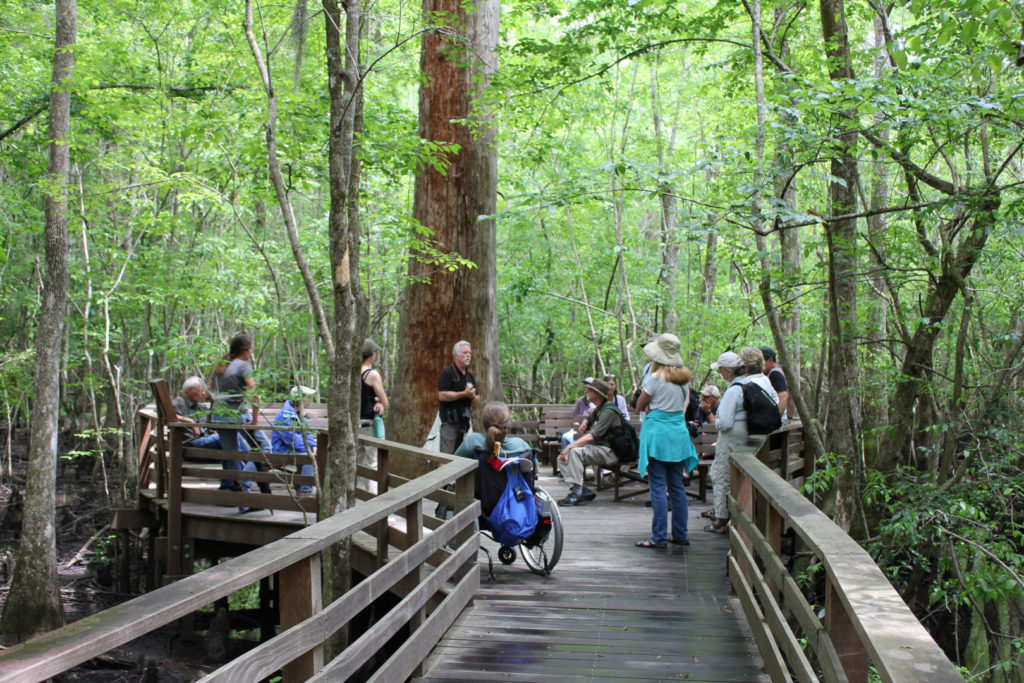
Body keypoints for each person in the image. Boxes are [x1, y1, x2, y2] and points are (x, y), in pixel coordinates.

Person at [634, 333, 698, 549]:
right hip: (678, 434)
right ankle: (680, 533)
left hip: (658, 435)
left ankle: (659, 536)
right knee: (677, 486)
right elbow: (683, 406)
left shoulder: (655, 378)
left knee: (658, 487)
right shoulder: (684, 379)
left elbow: (639, 404)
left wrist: (649, 406)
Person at [211, 334, 273, 501]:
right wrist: (254, 420)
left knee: (232, 455)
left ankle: (243, 500)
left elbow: (209, 391)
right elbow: (254, 393)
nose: (251, 353)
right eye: (251, 349)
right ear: (245, 351)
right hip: (235, 415)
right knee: (265, 448)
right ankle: (243, 482)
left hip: (218, 416)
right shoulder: (243, 366)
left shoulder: (220, 365)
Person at [558, 377, 620, 506]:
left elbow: (592, 436)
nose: (587, 392)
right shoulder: (600, 408)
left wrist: (569, 446)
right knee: (562, 458)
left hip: (611, 451)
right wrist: (586, 421)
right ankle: (582, 490)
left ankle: (576, 494)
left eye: (590, 390)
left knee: (574, 452)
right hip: (600, 449)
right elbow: (590, 416)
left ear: (597, 394)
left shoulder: (609, 411)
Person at [705, 351, 747, 533]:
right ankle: (730, 516)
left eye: (721, 370)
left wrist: (715, 420)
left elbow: (725, 423)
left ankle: (721, 518)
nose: (720, 374)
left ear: (728, 371)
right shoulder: (748, 384)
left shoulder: (734, 390)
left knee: (720, 474)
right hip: (743, 435)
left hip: (731, 436)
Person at [272, 386, 317, 496]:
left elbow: (307, 432)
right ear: (301, 399)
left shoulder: (300, 413)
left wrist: (313, 445)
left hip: (295, 449)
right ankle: (306, 491)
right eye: (308, 398)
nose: (310, 401)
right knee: (309, 457)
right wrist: (309, 449)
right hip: (283, 451)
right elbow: (292, 440)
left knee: (319, 454)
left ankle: (302, 486)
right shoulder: (285, 415)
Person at [359, 338, 389, 492]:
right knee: (372, 465)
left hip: (354, 424)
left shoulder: (352, 372)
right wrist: (379, 401)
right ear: (372, 355)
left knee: (356, 466)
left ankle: (352, 509)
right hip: (369, 425)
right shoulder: (371, 374)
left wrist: (375, 400)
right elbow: (385, 402)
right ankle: (374, 510)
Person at [438, 340, 477, 453]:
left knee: (461, 454)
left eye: (469, 353)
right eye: (465, 353)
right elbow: (442, 395)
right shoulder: (447, 373)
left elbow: (477, 397)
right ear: (456, 355)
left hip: (464, 421)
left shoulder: (470, 376)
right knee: (446, 454)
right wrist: (463, 394)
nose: (468, 355)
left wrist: (472, 396)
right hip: (449, 420)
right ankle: (444, 471)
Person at [172, 376, 221, 449]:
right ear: (189, 390)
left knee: (230, 437)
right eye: (201, 390)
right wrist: (190, 421)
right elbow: (164, 413)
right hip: (191, 444)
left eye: (204, 391)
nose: (203, 394)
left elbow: (211, 426)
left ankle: (240, 460)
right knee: (228, 438)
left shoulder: (201, 407)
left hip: (205, 440)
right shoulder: (179, 403)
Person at [761, 346, 791, 421]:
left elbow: (783, 396)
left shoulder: (775, 373)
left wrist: (776, 418)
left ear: (770, 359)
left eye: (761, 361)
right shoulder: (779, 371)